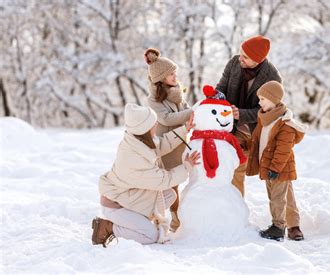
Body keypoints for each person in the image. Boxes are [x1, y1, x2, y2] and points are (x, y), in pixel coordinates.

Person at [91, 103, 200, 247]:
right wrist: (186, 166)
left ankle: (140, 222)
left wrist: (184, 129)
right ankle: (108, 227)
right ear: (144, 128)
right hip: (117, 206)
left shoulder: (139, 141)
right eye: (153, 123)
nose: (156, 124)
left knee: (169, 195)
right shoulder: (133, 160)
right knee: (150, 236)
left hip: (131, 197)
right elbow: (163, 180)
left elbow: (161, 146)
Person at [215, 35, 282, 197]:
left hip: (256, 131)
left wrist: (241, 114)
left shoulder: (272, 78)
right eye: (240, 53)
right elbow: (221, 88)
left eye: (246, 57)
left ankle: (283, 217)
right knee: (234, 166)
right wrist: (215, 98)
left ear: (258, 60)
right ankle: (234, 208)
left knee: (275, 176)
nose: (240, 59)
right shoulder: (234, 63)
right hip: (233, 127)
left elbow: (268, 111)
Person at [246, 81, 306, 241]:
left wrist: (275, 168)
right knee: (285, 196)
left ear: (273, 100)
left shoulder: (285, 124)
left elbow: (283, 150)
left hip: (278, 168)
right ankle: (293, 226)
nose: (259, 102)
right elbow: (258, 140)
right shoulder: (265, 119)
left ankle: (278, 227)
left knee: (277, 198)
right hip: (269, 167)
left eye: (263, 99)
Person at [144, 48, 193, 232]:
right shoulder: (154, 99)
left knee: (179, 181)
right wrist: (191, 113)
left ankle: (178, 217)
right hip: (167, 145)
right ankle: (173, 219)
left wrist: (192, 113)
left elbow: (185, 109)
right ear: (161, 77)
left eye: (175, 73)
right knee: (171, 183)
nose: (175, 76)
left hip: (181, 141)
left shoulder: (177, 93)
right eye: (171, 74)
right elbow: (167, 119)